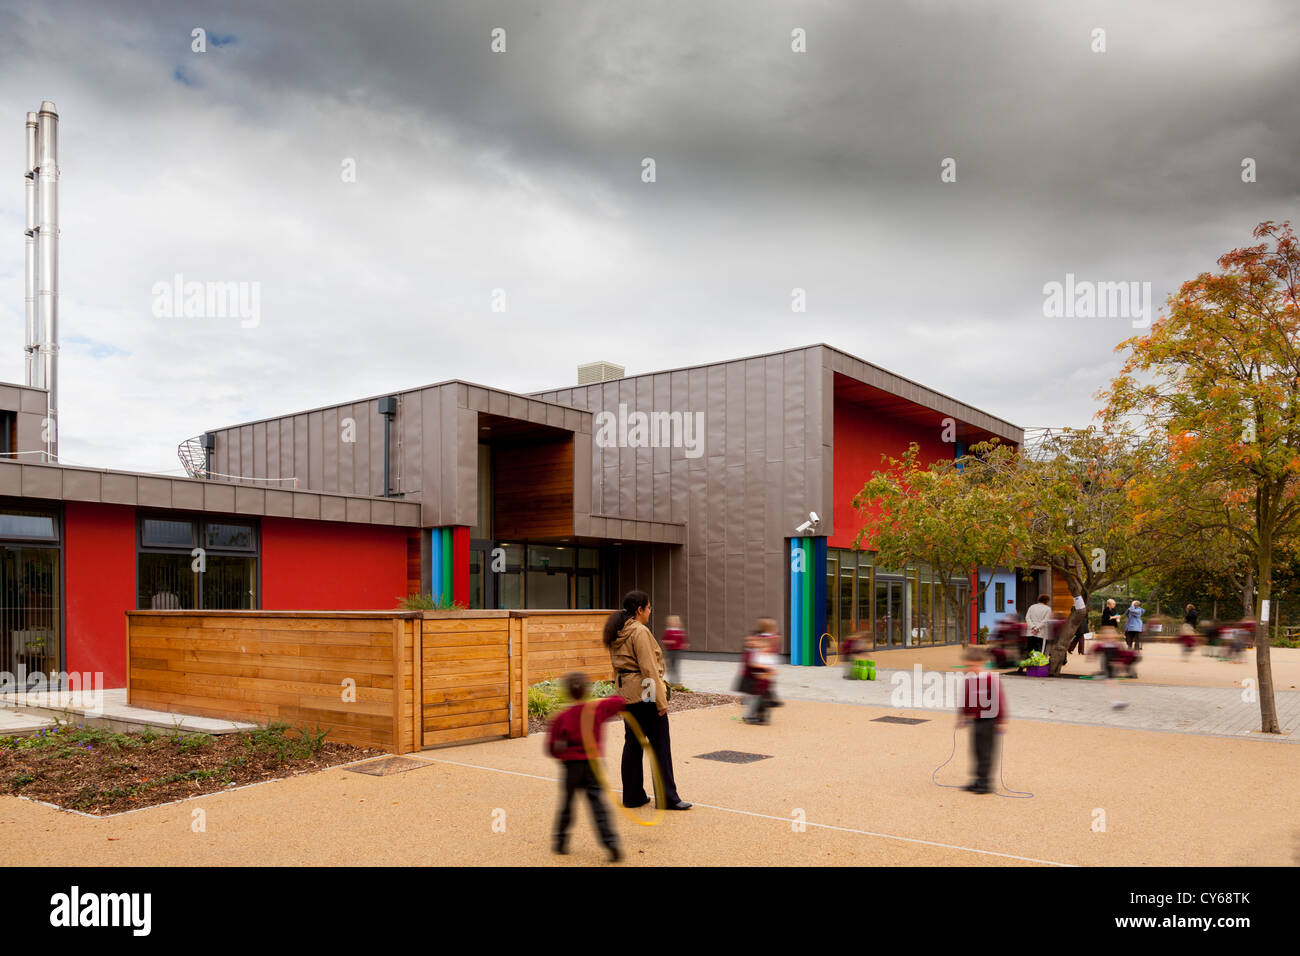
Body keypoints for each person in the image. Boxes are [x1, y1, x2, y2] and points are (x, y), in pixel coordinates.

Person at [604, 590, 691, 811]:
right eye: (649, 608)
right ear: (639, 609)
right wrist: (661, 703)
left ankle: (633, 796)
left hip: (626, 693)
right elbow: (649, 669)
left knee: (632, 744)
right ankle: (668, 798)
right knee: (660, 746)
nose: (650, 612)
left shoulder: (617, 630)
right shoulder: (639, 631)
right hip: (645, 694)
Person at [546, 672, 625, 861]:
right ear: (587, 690)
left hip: (571, 767)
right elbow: (619, 702)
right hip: (593, 765)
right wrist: (607, 698)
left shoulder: (562, 717)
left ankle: (560, 842)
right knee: (597, 805)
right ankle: (611, 842)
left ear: (567, 693)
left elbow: (551, 747)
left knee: (567, 805)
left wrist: (563, 756)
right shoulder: (597, 709)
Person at [956, 645, 1007, 795]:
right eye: (966, 665)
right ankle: (977, 779)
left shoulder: (990, 679)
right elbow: (965, 699)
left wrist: (1001, 721)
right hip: (976, 720)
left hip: (989, 720)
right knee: (976, 750)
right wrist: (963, 716)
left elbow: (999, 700)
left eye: (971, 665)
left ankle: (986, 783)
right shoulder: (969, 679)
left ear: (980, 663)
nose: (968, 668)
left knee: (986, 752)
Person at [661, 614, 687, 686]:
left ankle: (677, 681)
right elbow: (663, 640)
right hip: (670, 651)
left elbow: (683, 640)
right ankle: (671, 681)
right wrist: (669, 642)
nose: (676, 623)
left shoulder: (680, 631)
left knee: (676, 666)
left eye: (677, 622)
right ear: (670, 623)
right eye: (674, 622)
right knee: (671, 666)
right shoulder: (668, 631)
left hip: (678, 651)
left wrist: (684, 644)